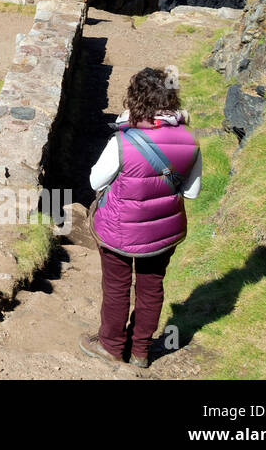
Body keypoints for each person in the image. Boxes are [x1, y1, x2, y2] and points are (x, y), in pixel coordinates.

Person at [80, 67, 203, 369]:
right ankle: (140, 352)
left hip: (119, 230)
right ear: (171, 98)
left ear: (134, 100)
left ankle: (110, 346)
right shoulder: (190, 140)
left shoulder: (122, 142)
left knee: (117, 287)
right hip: (163, 232)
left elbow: (96, 182)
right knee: (151, 287)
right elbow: (192, 192)